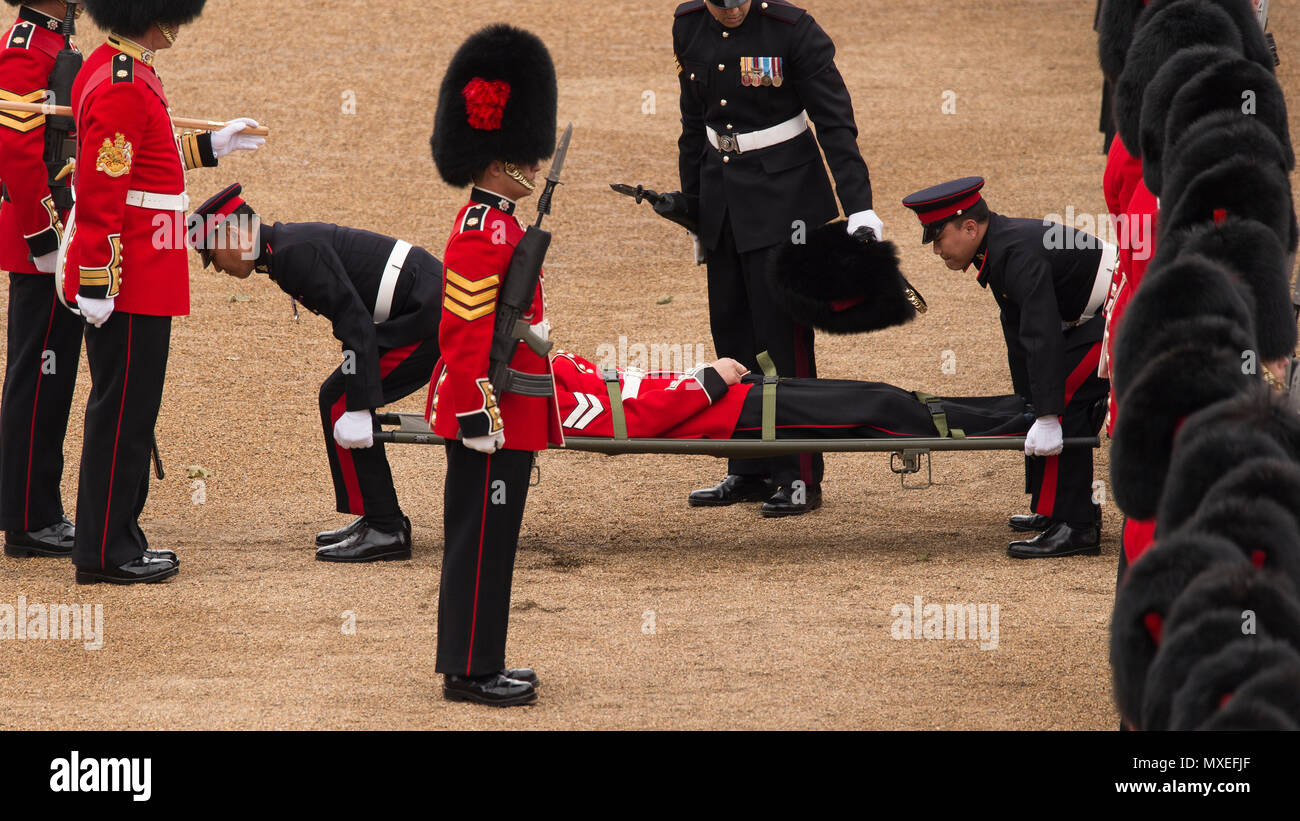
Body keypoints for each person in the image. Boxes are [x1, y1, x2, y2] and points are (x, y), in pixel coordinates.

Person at [61, 0, 264, 584]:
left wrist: (212, 146)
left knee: (128, 412)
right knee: (122, 414)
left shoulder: (115, 66)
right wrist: (98, 278)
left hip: (143, 272)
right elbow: (102, 190)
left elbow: (145, 161)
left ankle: (117, 536)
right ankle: (105, 550)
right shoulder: (123, 82)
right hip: (130, 279)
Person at [672, 0, 882, 517]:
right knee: (732, 332)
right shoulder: (688, 25)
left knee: (782, 342)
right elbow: (692, 123)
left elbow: (835, 123)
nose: (730, 12)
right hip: (724, 202)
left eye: (738, 2)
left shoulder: (793, 31)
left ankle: (797, 473)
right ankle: (748, 463)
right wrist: (694, 208)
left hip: (786, 201)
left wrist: (860, 208)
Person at [187, 183, 442, 563]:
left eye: (213, 253)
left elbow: (353, 321)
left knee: (340, 400)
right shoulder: (282, 249)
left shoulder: (291, 253)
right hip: (418, 308)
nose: (217, 267)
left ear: (235, 234)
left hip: (428, 317)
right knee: (337, 397)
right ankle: (376, 517)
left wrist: (358, 405)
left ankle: (386, 527)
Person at [425, 23, 563, 707]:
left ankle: (481, 658)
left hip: (502, 404)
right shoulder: (484, 230)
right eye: (522, 156)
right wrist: (477, 406)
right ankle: (471, 671)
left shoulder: (503, 224)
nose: (533, 167)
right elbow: (464, 329)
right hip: (488, 409)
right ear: (492, 159)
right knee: (480, 541)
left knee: (491, 540)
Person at [903, 178, 1113, 559]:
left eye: (938, 238)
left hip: (1119, 311)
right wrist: (1030, 402)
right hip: (1092, 315)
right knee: (1046, 397)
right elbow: (1018, 330)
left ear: (970, 228)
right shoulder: (996, 246)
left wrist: (1049, 413)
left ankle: (1079, 526)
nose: (935, 250)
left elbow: (1042, 332)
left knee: (1064, 395)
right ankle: (1053, 508)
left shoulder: (1015, 252)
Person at [0, 0, 81, 558]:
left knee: (54, 377)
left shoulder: (55, 44)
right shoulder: (27, 45)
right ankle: (28, 518)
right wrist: (45, 241)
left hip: (59, 234)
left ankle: (38, 507)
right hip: (41, 245)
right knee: (37, 377)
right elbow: (16, 149)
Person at [551, 350, 1033, 442]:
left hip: (735, 395)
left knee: (881, 394)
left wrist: (708, 376)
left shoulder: (551, 364)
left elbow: (637, 384)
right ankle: (1018, 423)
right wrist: (709, 381)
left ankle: (1015, 408)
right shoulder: (549, 397)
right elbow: (632, 421)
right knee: (880, 409)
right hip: (732, 411)